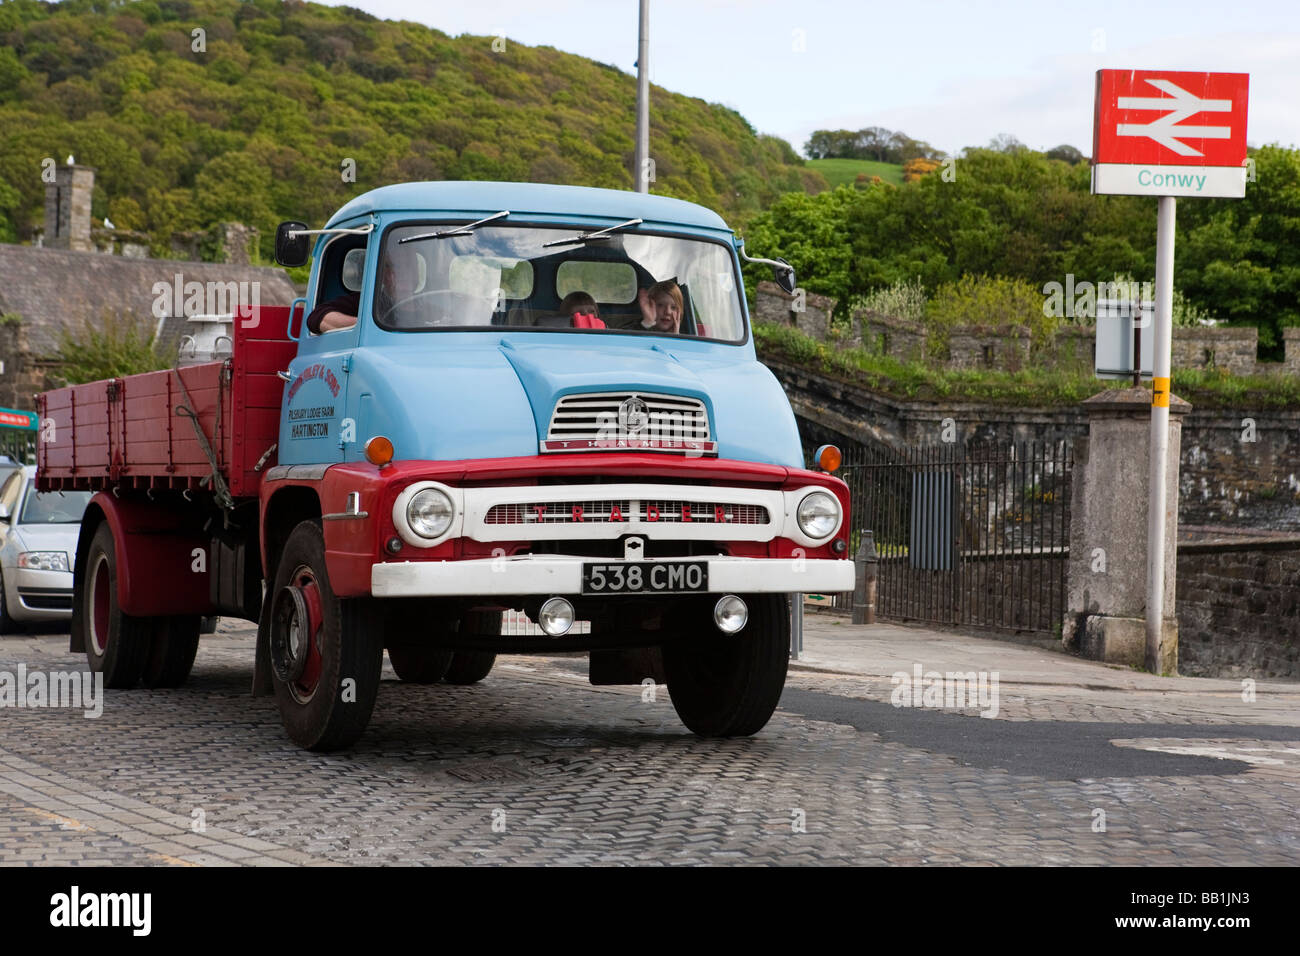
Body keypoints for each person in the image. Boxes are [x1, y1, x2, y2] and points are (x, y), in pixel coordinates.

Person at [305, 244, 422, 334]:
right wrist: (368, 325)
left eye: (408, 266)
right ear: (383, 274)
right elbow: (316, 317)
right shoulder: (366, 302)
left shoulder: (432, 310)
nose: (401, 274)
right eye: (392, 266)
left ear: (416, 272)